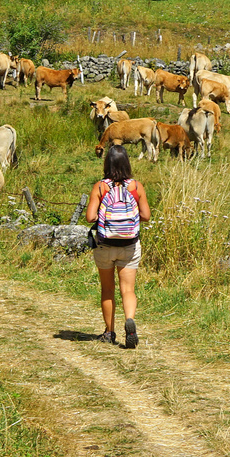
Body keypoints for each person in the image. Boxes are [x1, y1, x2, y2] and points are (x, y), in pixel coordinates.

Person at [85, 144, 152, 347]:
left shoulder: (100, 187)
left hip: (105, 245)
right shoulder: (136, 186)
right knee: (128, 289)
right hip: (129, 246)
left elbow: (90, 217)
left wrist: (103, 216)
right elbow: (146, 216)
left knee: (107, 290)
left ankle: (109, 332)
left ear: (107, 162)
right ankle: (129, 320)